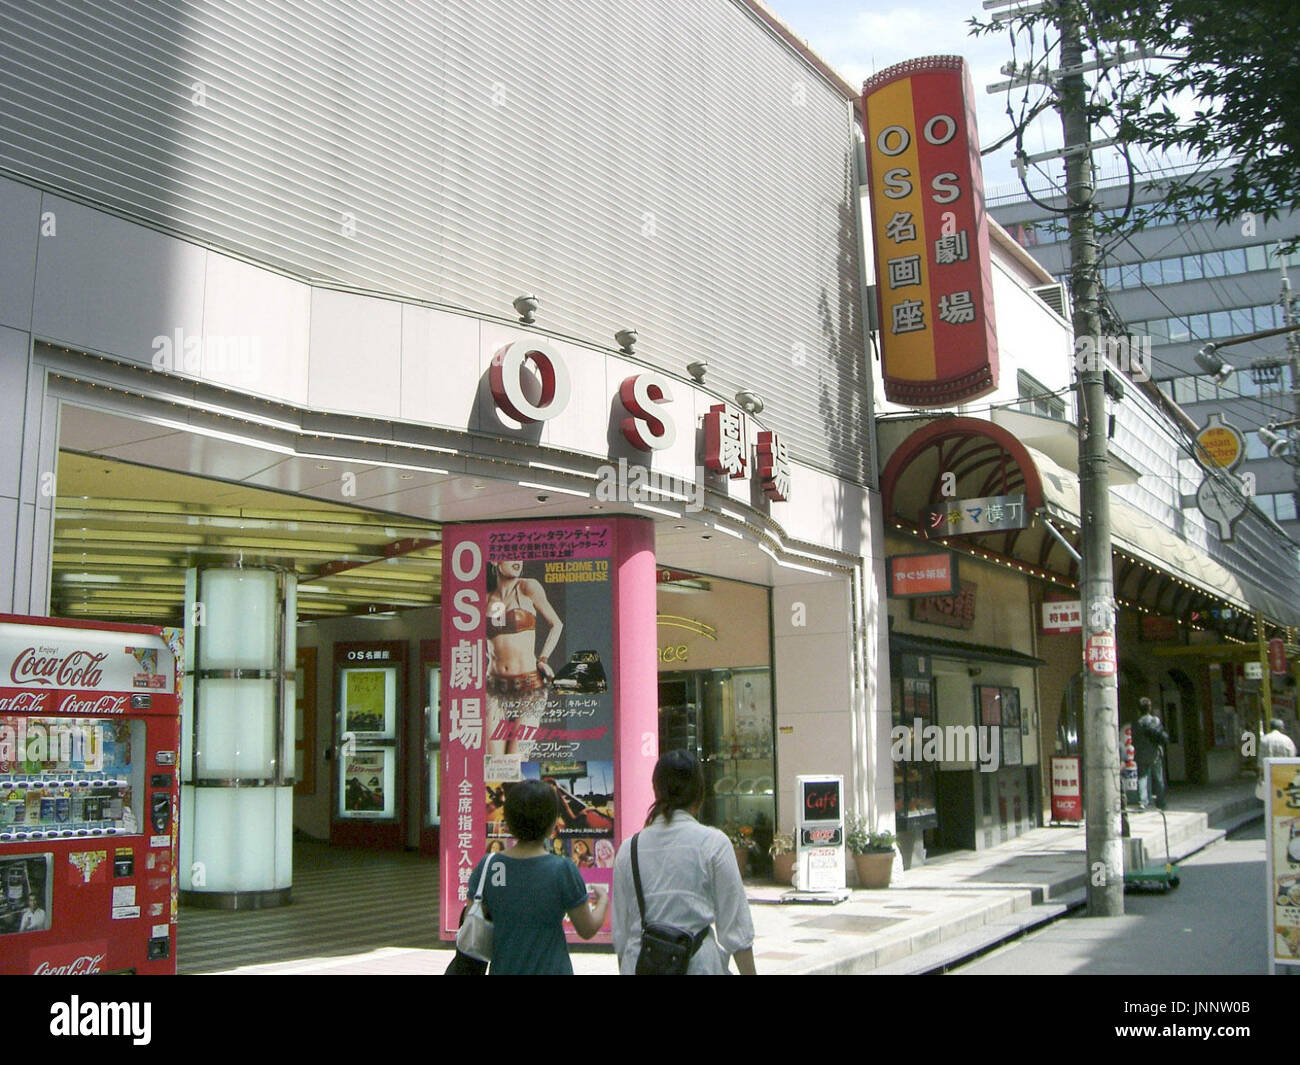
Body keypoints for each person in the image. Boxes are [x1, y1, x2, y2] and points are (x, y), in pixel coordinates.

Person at [612, 750, 756, 975]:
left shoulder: (628, 849)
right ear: (700, 793)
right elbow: (737, 931)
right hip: (699, 967)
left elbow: (621, 935)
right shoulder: (714, 844)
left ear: (656, 790)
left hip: (641, 965)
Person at [464, 780, 607, 975]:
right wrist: (604, 900)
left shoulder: (489, 866)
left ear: (508, 820)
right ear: (552, 822)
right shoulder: (562, 869)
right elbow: (587, 929)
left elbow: (470, 918)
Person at [485, 560, 563, 757]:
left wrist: (543, 659)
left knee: (516, 760)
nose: (517, 561)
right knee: (494, 765)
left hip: (529, 685)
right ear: (495, 560)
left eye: (519, 556)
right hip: (495, 687)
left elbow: (557, 624)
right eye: (510, 555)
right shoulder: (484, 599)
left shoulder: (528, 587)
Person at [1133, 698, 1169, 810]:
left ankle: (1143, 802)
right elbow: (1160, 736)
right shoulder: (1155, 721)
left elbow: (1134, 740)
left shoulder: (1137, 723)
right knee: (1158, 778)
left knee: (1142, 777)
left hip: (1142, 753)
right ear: (1149, 708)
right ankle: (1161, 802)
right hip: (1155, 753)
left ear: (1138, 710)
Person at [1258, 718, 1298, 799]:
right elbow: (1293, 758)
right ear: (1281, 728)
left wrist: (1260, 776)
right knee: (1284, 797)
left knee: (1270, 798)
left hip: (1270, 775)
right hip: (1285, 774)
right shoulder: (1287, 740)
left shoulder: (1264, 740)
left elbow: (1261, 761)